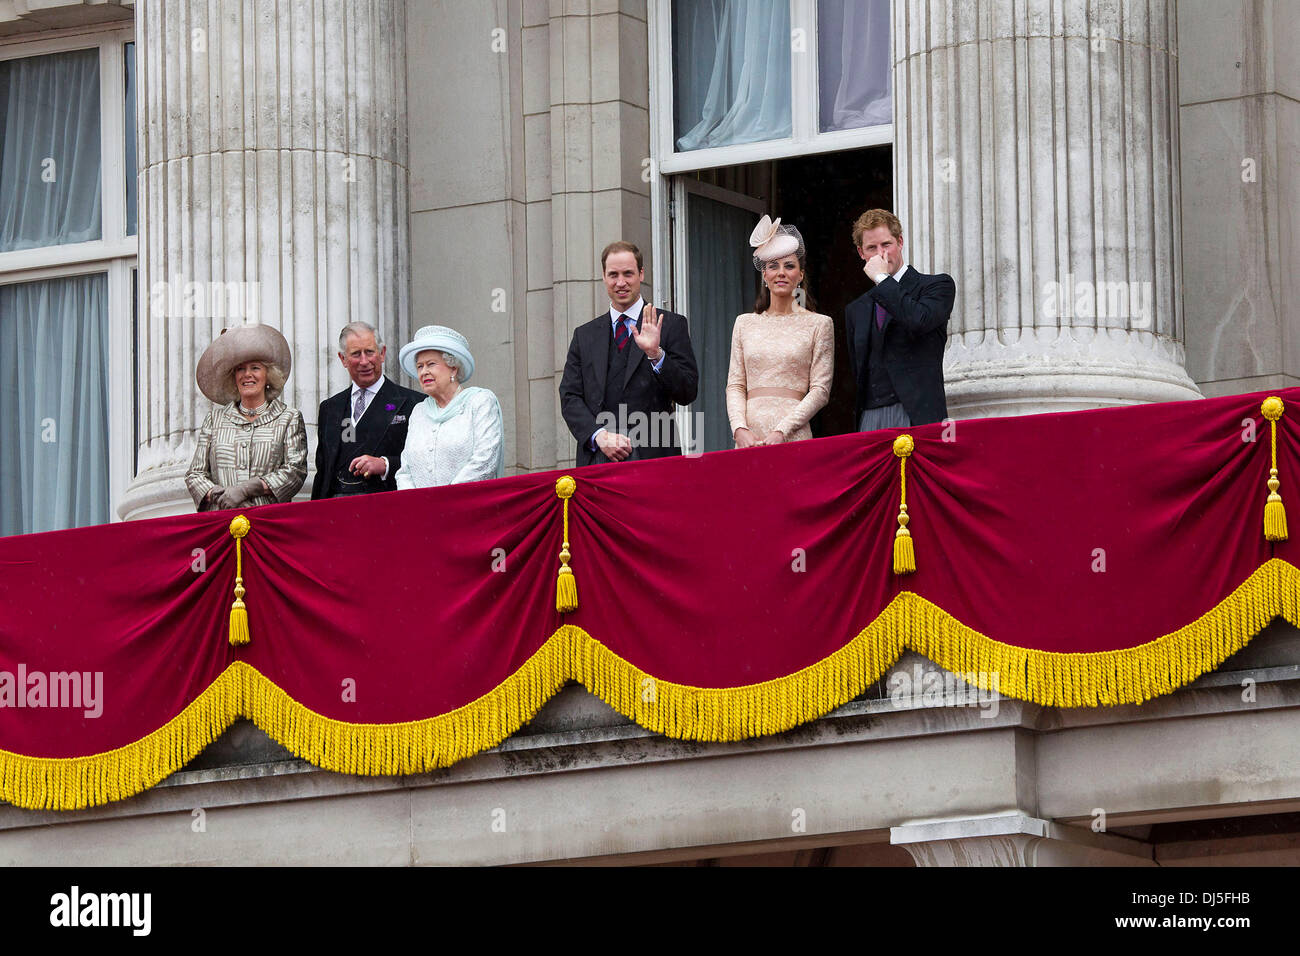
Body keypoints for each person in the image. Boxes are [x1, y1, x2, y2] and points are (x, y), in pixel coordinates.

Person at [559, 240, 699, 465]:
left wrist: (656, 354)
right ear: (603, 277)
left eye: (628, 273)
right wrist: (599, 437)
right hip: (597, 460)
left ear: (641, 274)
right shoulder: (584, 336)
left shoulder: (671, 325)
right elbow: (570, 397)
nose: (621, 282)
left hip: (655, 459)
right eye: (613, 274)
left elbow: (687, 392)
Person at [726, 216, 834, 447]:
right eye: (773, 266)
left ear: (801, 275)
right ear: (765, 275)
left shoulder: (820, 324)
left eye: (789, 266)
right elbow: (735, 385)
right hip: (748, 439)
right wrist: (739, 429)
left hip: (793, 435)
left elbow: (820, 390)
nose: (781, 272)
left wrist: (782, 431)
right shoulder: (744, 323)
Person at [845, 208, 955, 429]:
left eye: (886, 244)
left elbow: (918, 320)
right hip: (869, 416)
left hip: (917, 414)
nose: (881, 254)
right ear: (861, 253)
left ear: (900, 242)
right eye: (871, 248)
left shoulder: (936, 285)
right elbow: (859, 371)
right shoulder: (855, 309)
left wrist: (882, 279)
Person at [186, 323, 308, 511]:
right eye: (240, 369)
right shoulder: (214, 419)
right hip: (222, 522)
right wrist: (217, 494)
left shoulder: (288, 418)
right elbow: (195, 474)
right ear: (233, 376)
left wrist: (247, 489)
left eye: (255, 368)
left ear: (268, 375)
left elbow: (295, 471)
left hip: (268, 522)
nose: (247, 375)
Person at [311, 321, 424, 499]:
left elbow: (426, 463)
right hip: (336, 512)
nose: (364, 361)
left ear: (382, 353)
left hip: (387, 507)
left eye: (369, 352)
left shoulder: (414, 403)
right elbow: (323, 473)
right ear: (343, 359)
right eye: (356, 354)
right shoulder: (330, 408)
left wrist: (386, 464)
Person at [393, 325, 504, 488]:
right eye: (419, 366)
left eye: (431, 364)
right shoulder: (418, 412)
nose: (424, 372)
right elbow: (405, 471)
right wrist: (415, 502)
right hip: (422, 510)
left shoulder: (479, 402)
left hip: (467, 506)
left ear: (453, 367)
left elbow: (485, 460)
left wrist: (446, 499)